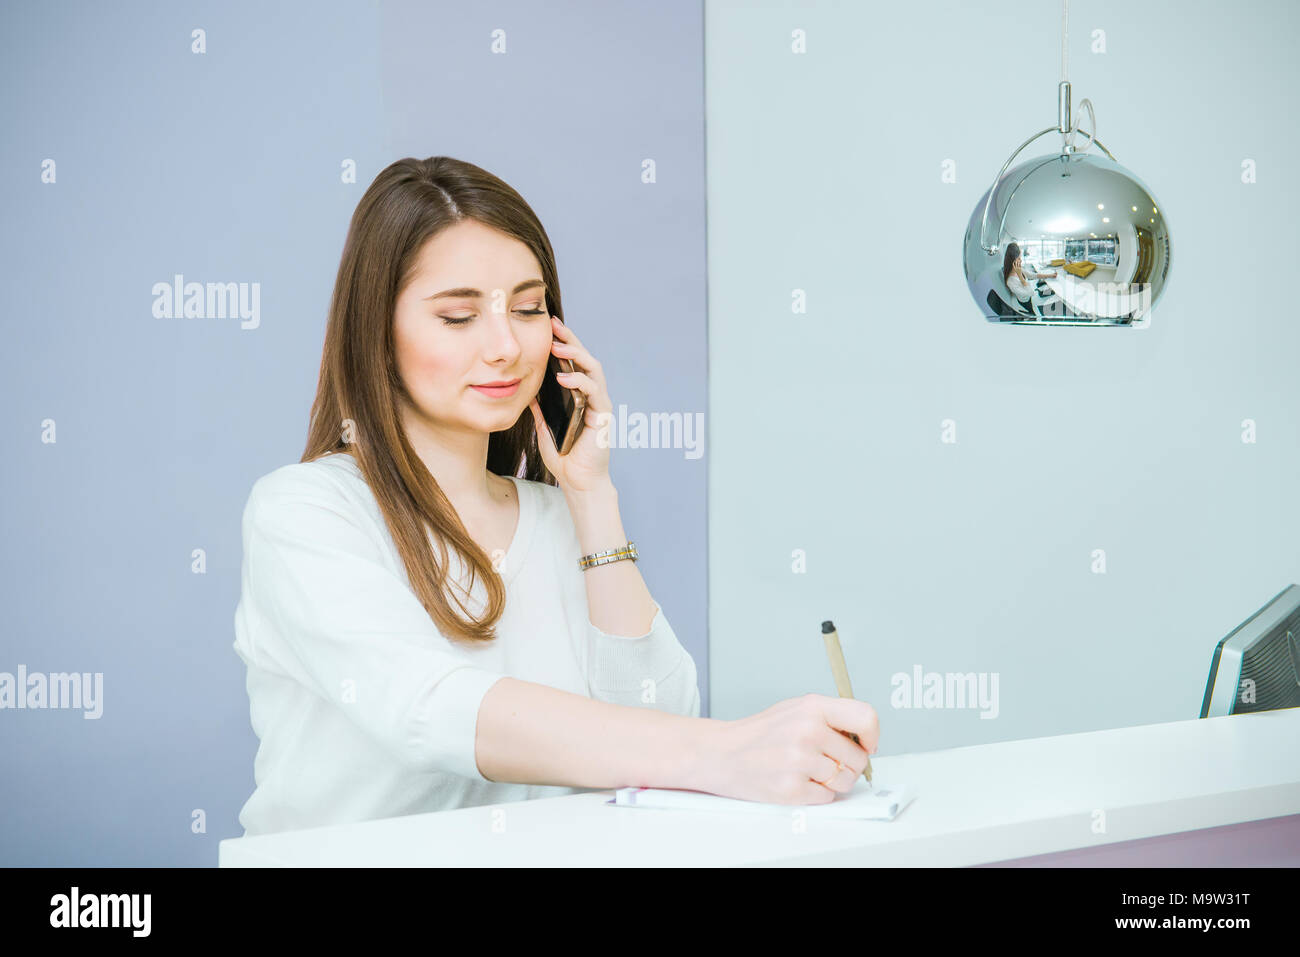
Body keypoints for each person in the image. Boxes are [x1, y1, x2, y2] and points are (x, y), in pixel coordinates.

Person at [231, 156, 879, 835]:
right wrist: (729, 750)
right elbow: (428, 709)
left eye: (529, 307)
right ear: (378, 336)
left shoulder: (553, 515)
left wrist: (592, 496)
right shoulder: (303, 512)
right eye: (458, 316)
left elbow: (660, 719)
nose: (506, 344)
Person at [1002, 242, 1057, 316]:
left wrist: (1050, 275)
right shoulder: (1010, 281)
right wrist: (1021, 277)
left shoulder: (1020, 269)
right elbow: (1030, 292)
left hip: (1029, 298)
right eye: (1019, 258)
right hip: (1025, 301)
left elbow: (1033, 275)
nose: (1021, 260)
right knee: (1033, 314)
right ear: (1013, 261)